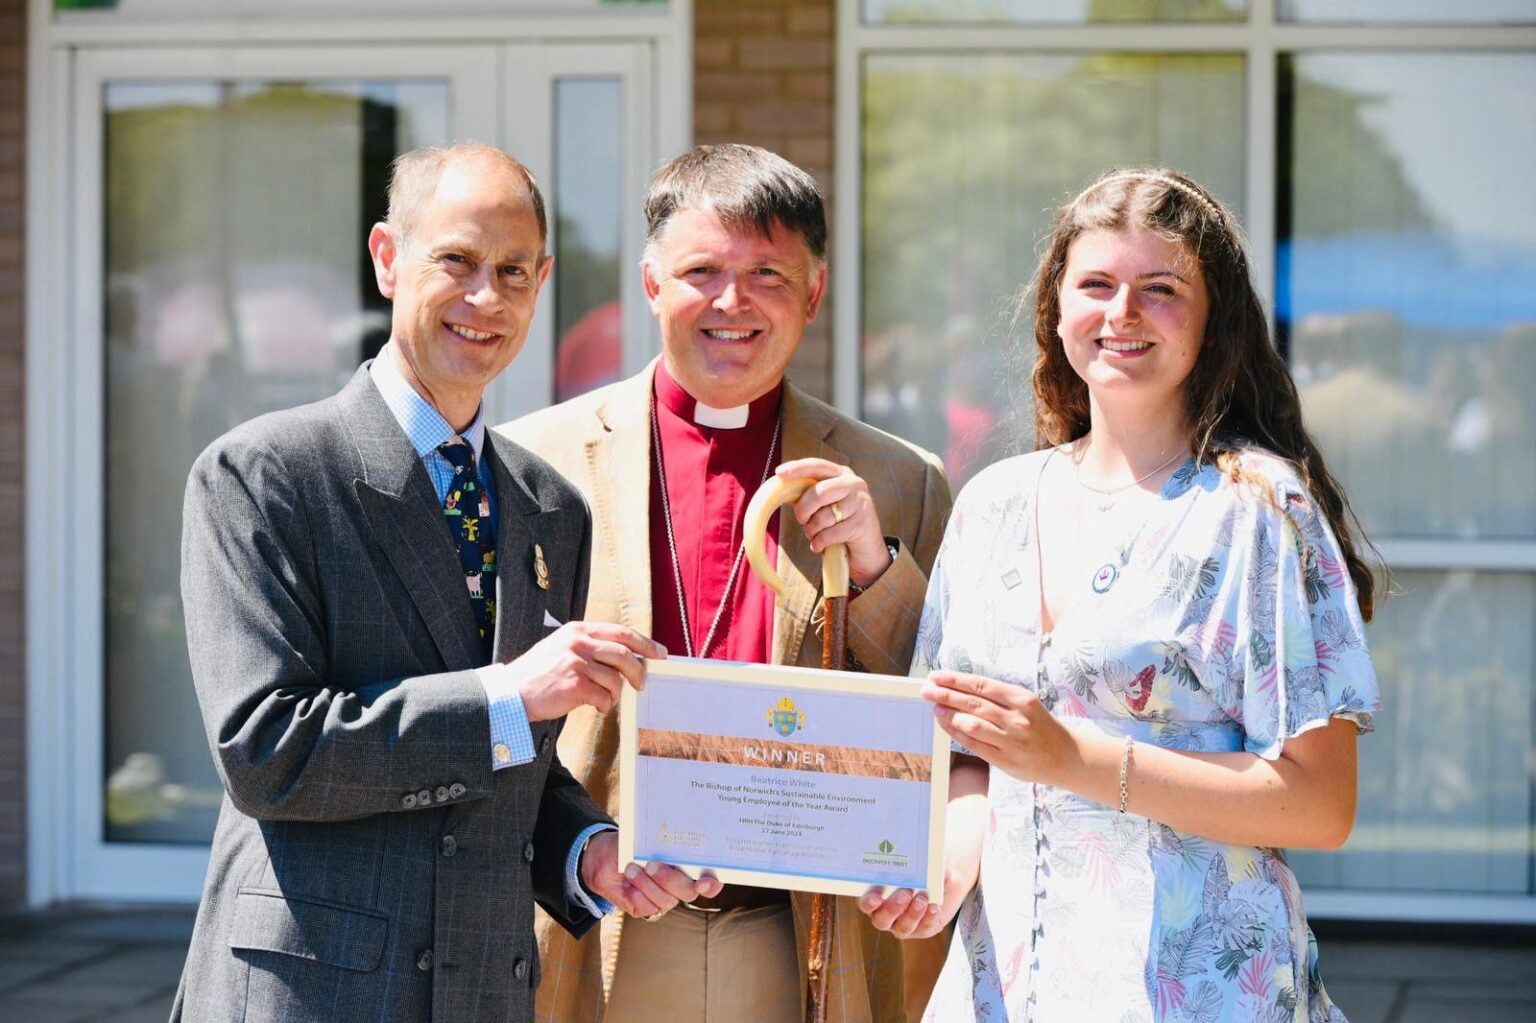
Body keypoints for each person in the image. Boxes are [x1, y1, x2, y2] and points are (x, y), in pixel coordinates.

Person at [173, 142, 715, 1023]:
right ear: (388, 258)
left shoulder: (550, 508)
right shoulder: (264, 475)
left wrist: (588, 848)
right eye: (456, 262)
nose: (485, 298)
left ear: (541, 283)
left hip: (482, 991)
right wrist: (508, 694)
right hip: (312, 992)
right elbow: (268, 754)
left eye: (512, 271)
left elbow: (514, 767)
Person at [859, 167, 1382, 1022]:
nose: (1122, 313)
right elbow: (965, 754)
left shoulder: (1255, 508)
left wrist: (1076, 759)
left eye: (1161, 289)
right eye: (1096, 284)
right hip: (1005, 989)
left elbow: (1321, 804)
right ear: (1056, 309)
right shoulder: (992, 502)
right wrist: (949, 862)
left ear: (1214, 321)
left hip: (1204, 995)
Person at [499, 143, 953, 1023]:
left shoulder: (902, 480)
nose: (733, 302)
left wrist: (873, 570)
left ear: (814, 293)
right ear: (652, 284)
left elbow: (940, 709)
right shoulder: (533, 460)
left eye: (768, 275)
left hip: (802, 936)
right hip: (606, 921)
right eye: (703, 270)